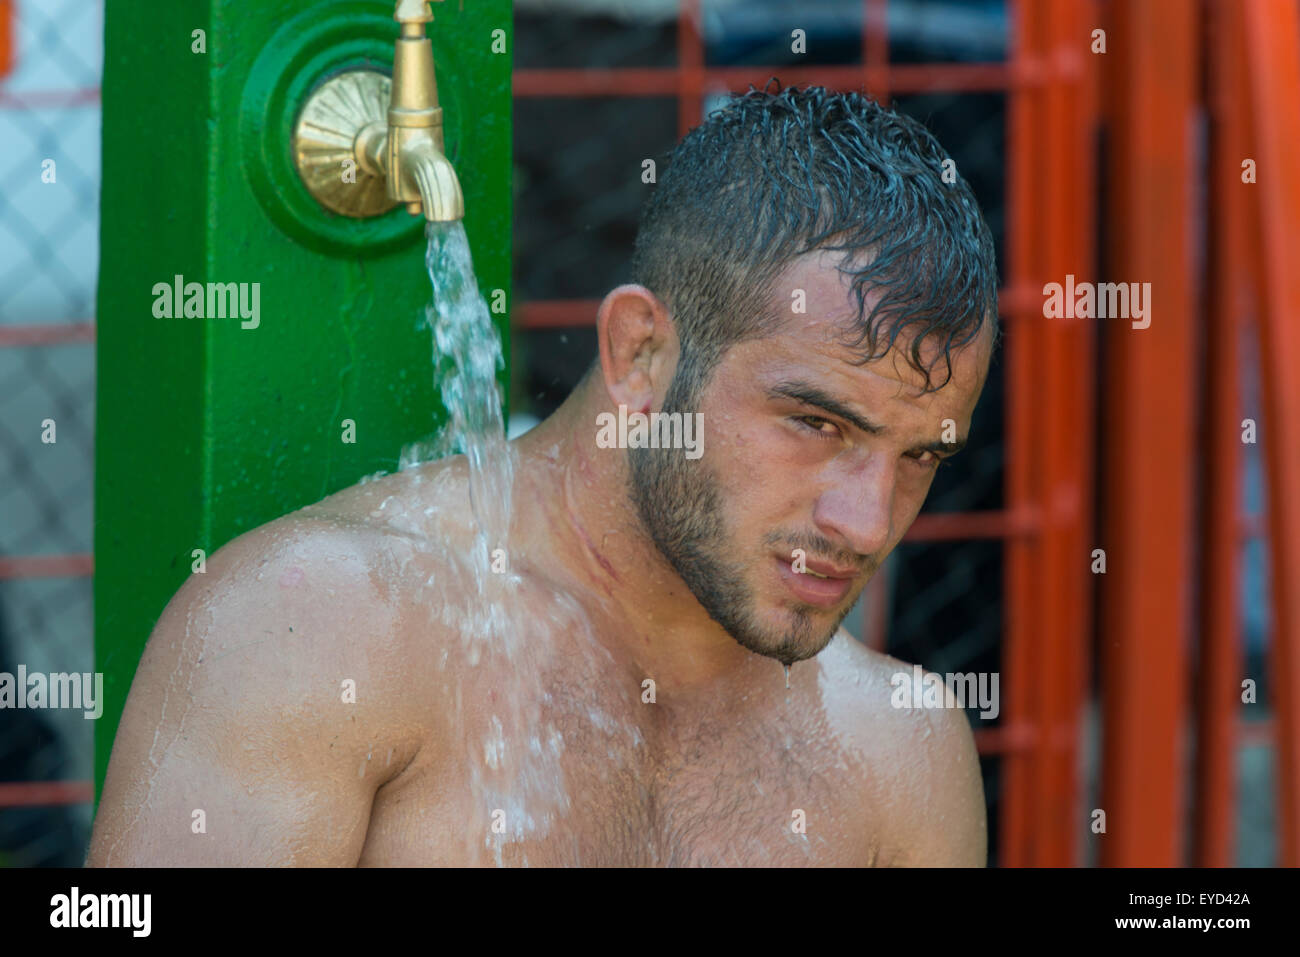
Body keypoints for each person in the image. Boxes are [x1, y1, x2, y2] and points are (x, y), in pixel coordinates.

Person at [88, 82, 998, 867]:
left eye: (920, 455)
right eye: (815, 422)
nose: (868, 521)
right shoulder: (316, 630)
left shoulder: (899, 750)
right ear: (641, 354)